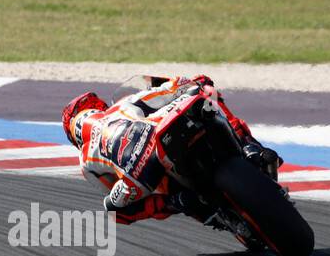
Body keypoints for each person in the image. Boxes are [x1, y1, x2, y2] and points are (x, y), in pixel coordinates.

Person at [60, 74, 280, 225]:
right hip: (156, 140)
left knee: (114, 211)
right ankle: (250, 146)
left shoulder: (85, 159)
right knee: (205, 91)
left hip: (142, 176)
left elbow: (113, 200)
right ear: (99, 106)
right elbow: (176, 88)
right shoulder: (123, 105)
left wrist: (126, 191)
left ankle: (178, 202)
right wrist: (193, 84)